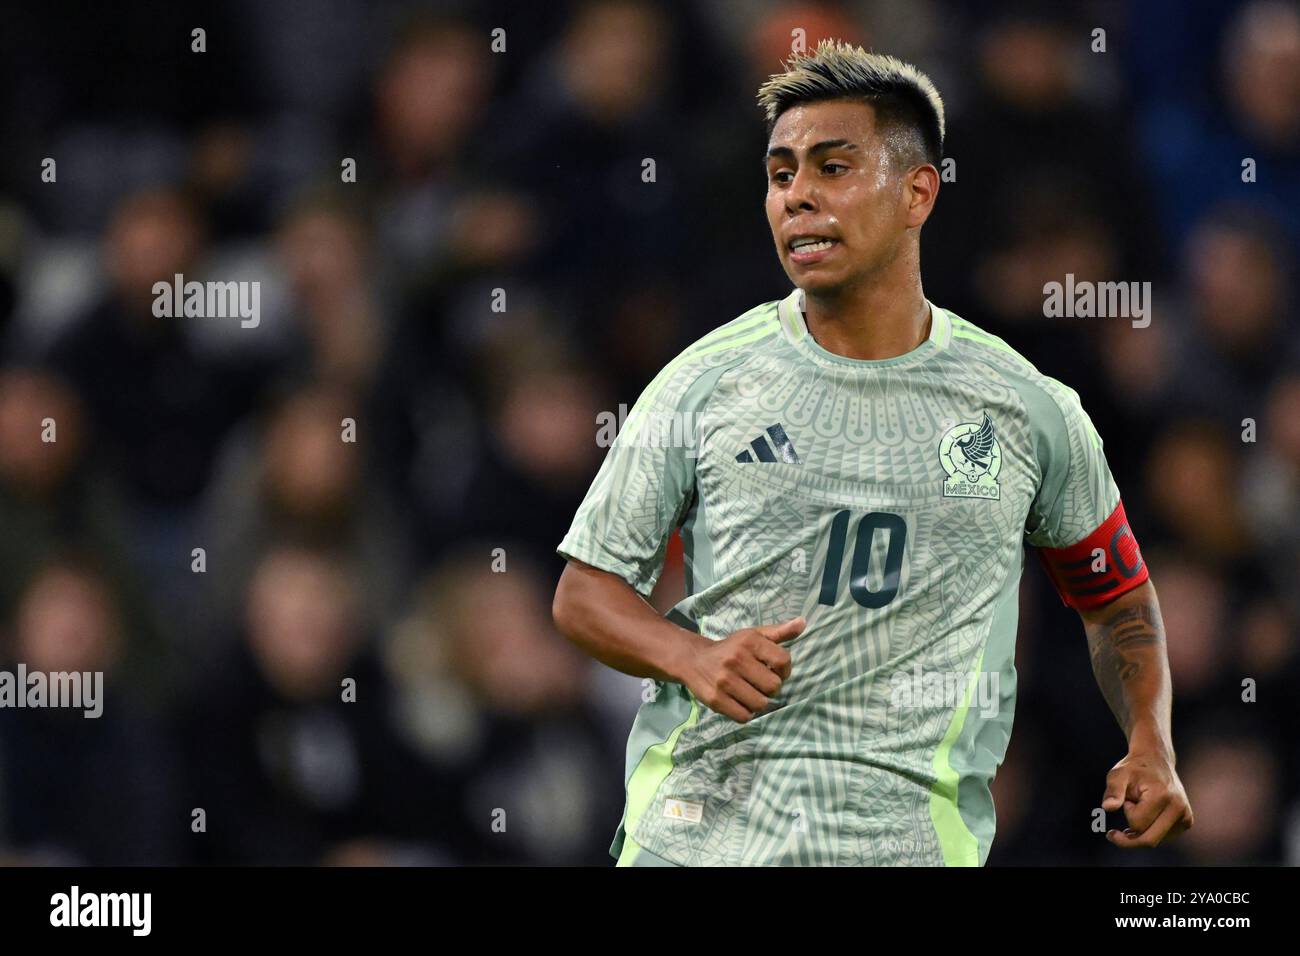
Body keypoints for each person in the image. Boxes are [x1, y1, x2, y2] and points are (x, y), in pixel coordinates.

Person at [551, 39, 1192, 866]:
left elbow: (1118, 599)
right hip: (702, 842)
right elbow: (582, 591)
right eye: (781, 175)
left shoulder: (1024, 407)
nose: (797, 199)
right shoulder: (705, 382)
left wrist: (1151, 740)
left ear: (918, 192)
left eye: (832, 168)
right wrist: (690, 654)